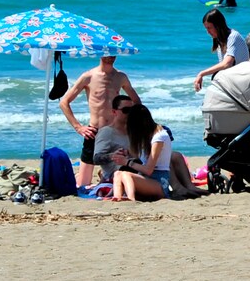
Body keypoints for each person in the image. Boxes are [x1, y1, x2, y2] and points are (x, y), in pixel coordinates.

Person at [59, 55, 141, 187]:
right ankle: (87, 175)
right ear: (100, 54)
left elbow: (136, 102)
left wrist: (130, 123)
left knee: (119, 176)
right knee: (83, 184)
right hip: (94, 131)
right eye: (107, 54)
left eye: (113, 54)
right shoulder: (88, 76)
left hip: (114, 132)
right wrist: (78, 127)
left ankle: (104, 175)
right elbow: (64, 102)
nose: (110, 57)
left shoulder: (120, 77)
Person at [110, 104, 173, 201]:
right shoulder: (147, 135)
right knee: (118, 173)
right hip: (146, 179)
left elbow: (148, 170)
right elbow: (142, 157)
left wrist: (127, 162)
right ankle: (117, 198)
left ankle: (131, 198)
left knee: (126, 174)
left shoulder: (159, 136)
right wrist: (126, 153)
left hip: (159, 181)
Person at [193, 8, 249, 92]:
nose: (207, 32)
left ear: (218, 26)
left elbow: (227, 64)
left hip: (244, 82)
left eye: (209, 28)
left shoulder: (233, 36)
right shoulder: (220, 41)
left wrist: (202, 73)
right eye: (206, 28)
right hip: (235, 82)